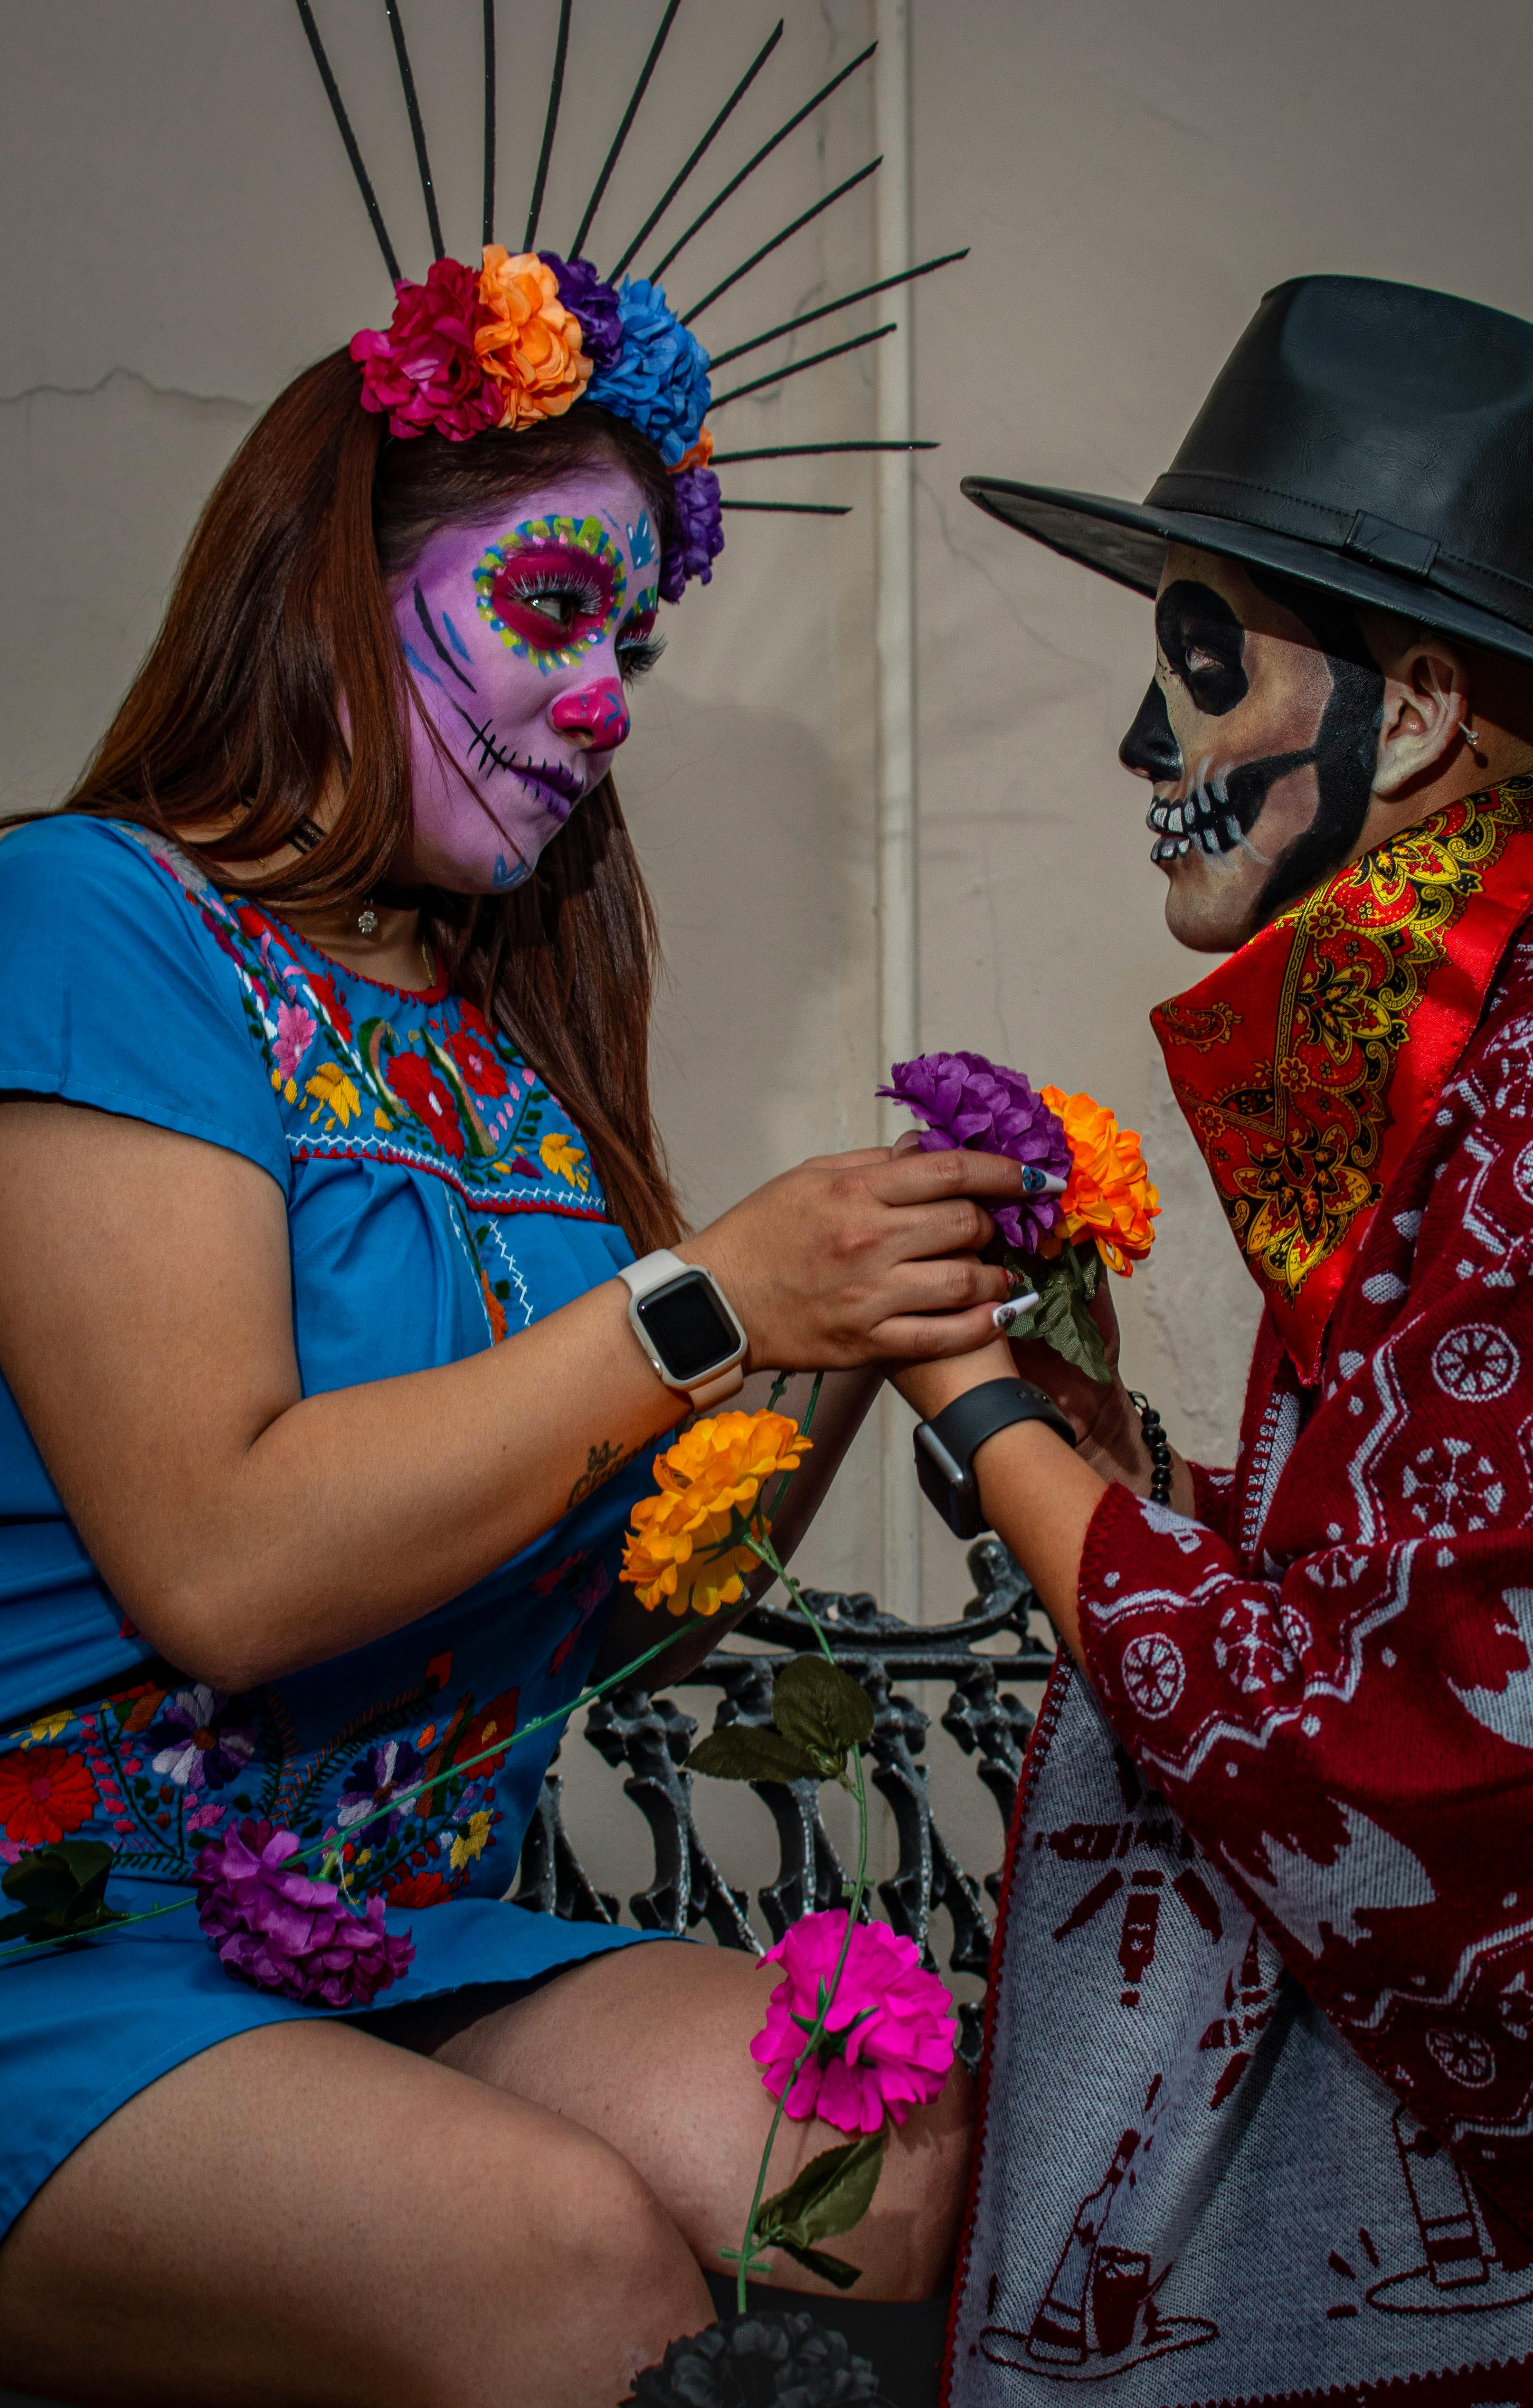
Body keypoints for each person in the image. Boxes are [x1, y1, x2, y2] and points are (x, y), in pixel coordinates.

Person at [0, 341, 1041, 2403]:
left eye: (632, 646)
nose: (603, 703)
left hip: (382, 1921)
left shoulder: (504, 1060)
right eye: (550, 606)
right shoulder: (91, 916)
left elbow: (643, 1604)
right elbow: (221, 1568)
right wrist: (717, 1292)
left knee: (897, 2154)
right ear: (323, 583)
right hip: (57, 1935)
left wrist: (856, 1320)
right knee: (550, 2252)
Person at [899, 278, 1533, 2408]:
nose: (1143, 744)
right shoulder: (1529, 1014)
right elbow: (1450, 1570)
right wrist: (1140, 1482)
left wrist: (974, 1414)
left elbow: (1431, 1754)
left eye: (1201, 659)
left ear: (1411, 718)